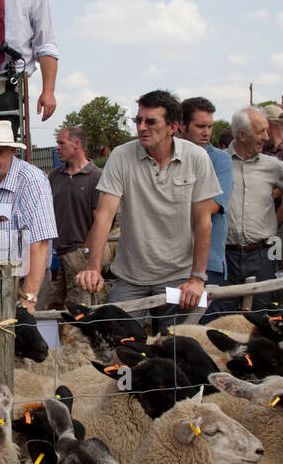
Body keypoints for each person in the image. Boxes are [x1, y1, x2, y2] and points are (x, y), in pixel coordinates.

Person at [75, 90, 221, 330]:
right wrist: (93, 268)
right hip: (130, 276)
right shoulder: (121, 156)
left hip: (178, 278)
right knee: (116, 342)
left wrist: (197, 279)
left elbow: (203, 223)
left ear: (173, 127)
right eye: (138, 120)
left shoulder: (197, 158)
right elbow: (104, 216)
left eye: (151, 121)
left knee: (175, 348)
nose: (142, 127)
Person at [0, 120, 56, 312]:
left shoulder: (31, 181)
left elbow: (39, 244)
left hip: (18, 287)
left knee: (18, 341)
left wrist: (28, 299)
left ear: (12, 151)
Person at [224, 107, 283, 309]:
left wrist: (277, 222)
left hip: (262, 256)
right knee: (223, 315)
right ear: (242, 135)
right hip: (225, 256)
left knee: (261, 314)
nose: (267, 137)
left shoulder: (274, 166)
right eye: (261, 131)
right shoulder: (217, 162)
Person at [181, 97, 233, 314]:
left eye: (210, 126)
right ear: (181, 125)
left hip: (208, 266)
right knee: (168, 337)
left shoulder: (220, 160)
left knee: (205, 335)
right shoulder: (166, 158)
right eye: (200, 126)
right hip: (168, 266)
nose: (207, 132)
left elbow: (211, 207)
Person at [42, 125, 101, 308]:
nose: (57, 147)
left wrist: (85, 251)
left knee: (78, 308)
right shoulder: (55, 175)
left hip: (78, 254)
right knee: (50, 306)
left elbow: (101, 221)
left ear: (76, 144)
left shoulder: (96, 176)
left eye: (61, 143)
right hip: (54, 255)